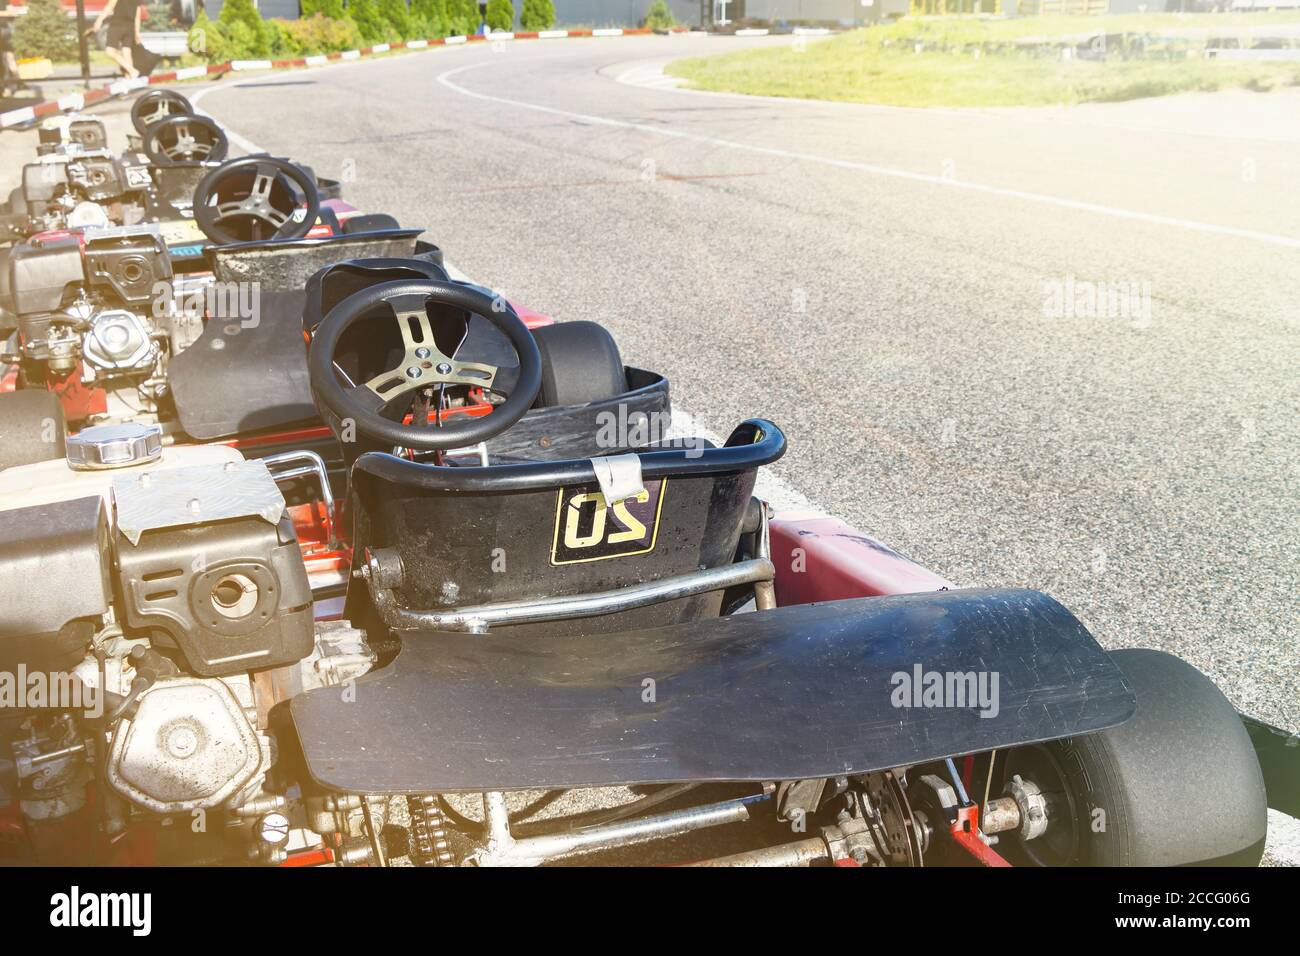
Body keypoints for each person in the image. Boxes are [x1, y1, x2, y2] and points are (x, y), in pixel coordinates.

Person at [90, 0, 144, 79]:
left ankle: (132, 71)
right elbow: (137, 16)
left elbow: (109, 6)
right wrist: (137, 32)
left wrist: (99, 20)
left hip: (117, 25)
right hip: (130, 27)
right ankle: (130, 80)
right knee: (126, 52)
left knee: (110, 51)